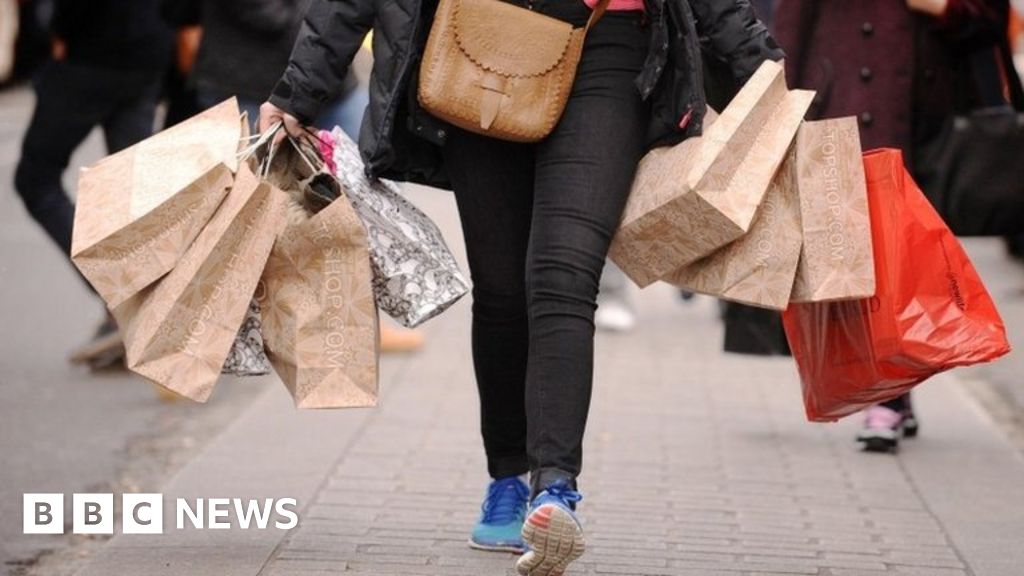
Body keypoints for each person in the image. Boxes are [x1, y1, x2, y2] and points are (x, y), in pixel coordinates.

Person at [259, 0, 782, 572]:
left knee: (564, 274)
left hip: (608, 47)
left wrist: (766, 79)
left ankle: (555, 488)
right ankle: (507, 476)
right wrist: (298, 92)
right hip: (478, 40)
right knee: (503, 290)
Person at [774, 0, 1020, 452]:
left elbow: (991, 19)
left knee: (906, 260)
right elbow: (792, 20)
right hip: (842, 104)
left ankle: (893, 391)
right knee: (864, 259)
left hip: (928, 120)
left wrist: (944, 7)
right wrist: (782, 105)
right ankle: (887, 394)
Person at [13, 0, 172, 368]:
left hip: (90, 55)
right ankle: (132, 306)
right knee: (127, 187)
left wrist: (56, 33)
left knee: (36, 179)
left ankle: (122, 296)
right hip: (146, 51)